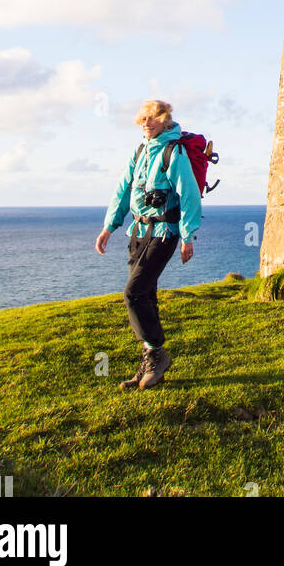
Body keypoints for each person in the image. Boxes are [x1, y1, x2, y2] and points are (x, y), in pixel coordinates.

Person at [95, 99, 202, 391]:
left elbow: (189, 194)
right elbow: (123, 187)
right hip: (138, 230)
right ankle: (150, 363)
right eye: (143, 117)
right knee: (147, 296)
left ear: (166, 119)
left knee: (133, 293)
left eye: (153, 117)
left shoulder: (174, 151)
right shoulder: (140, 150)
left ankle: (157, 353)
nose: (147, 122)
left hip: (164, 232)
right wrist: (109, 226)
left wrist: (187, 235)